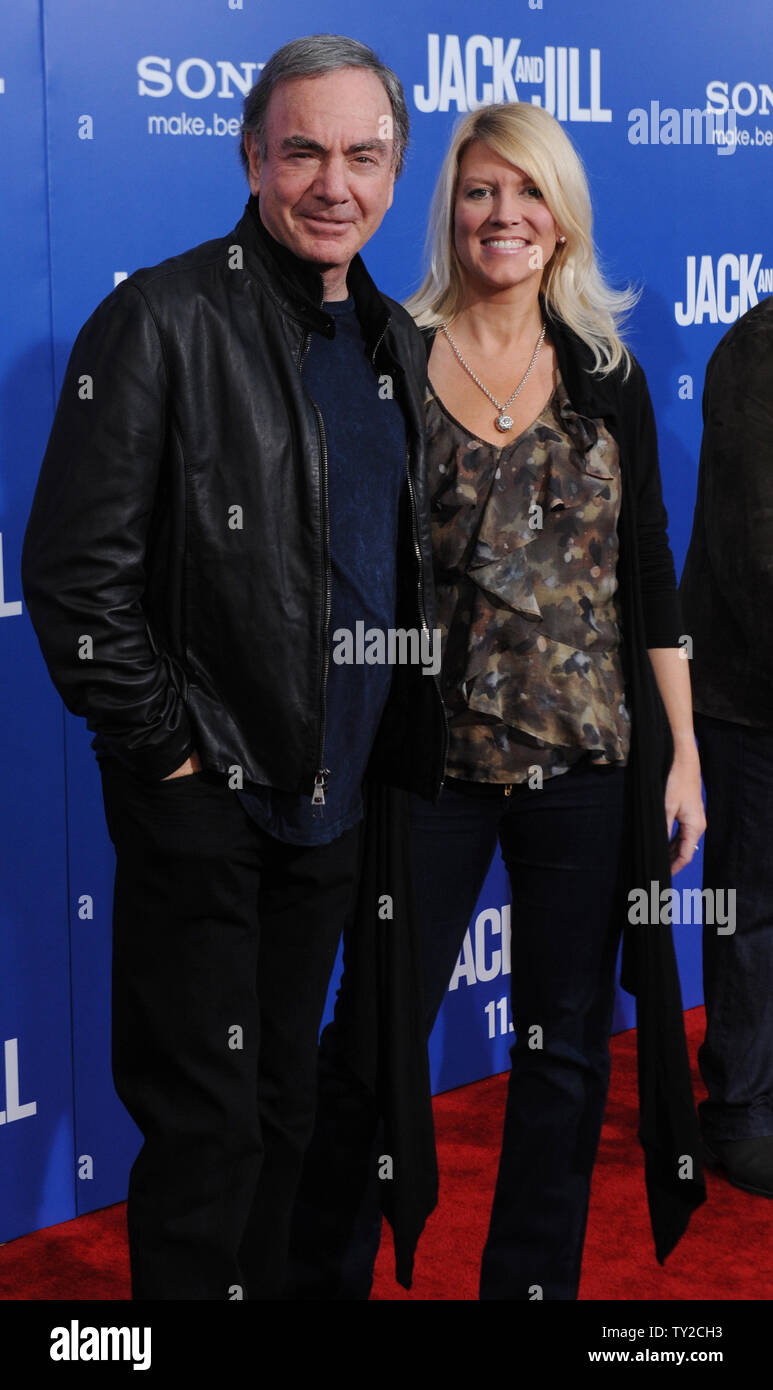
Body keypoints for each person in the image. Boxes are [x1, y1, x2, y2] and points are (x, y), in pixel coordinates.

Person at [21, 34, 445, 1300]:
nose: (333, 182)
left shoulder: (388, 340)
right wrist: (169, 757)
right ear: (252, 157)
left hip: (333, 809)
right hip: (204, 809)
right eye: (302, 149)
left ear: (392, 170)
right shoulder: (158, 318)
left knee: (283, 1109)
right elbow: (74, 579)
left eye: (362, 155)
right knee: (206, 1138)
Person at [287, 100, 707, 1301]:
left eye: (526, 193)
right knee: (369, 1048)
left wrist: (679, 756)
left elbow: (651, 572)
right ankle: (319, 1279)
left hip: (589, 765)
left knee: (564, 1056)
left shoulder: (605, 373)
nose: (502, 214)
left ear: (561, 220)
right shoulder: (384, 356)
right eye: (478, 191)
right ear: (449, 210)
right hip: (425, 770)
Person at [679, 297, 773, 1198]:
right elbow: (758, 550)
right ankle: (739, 1110)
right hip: (750, 691)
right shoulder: (758, 351)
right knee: (750, 913)